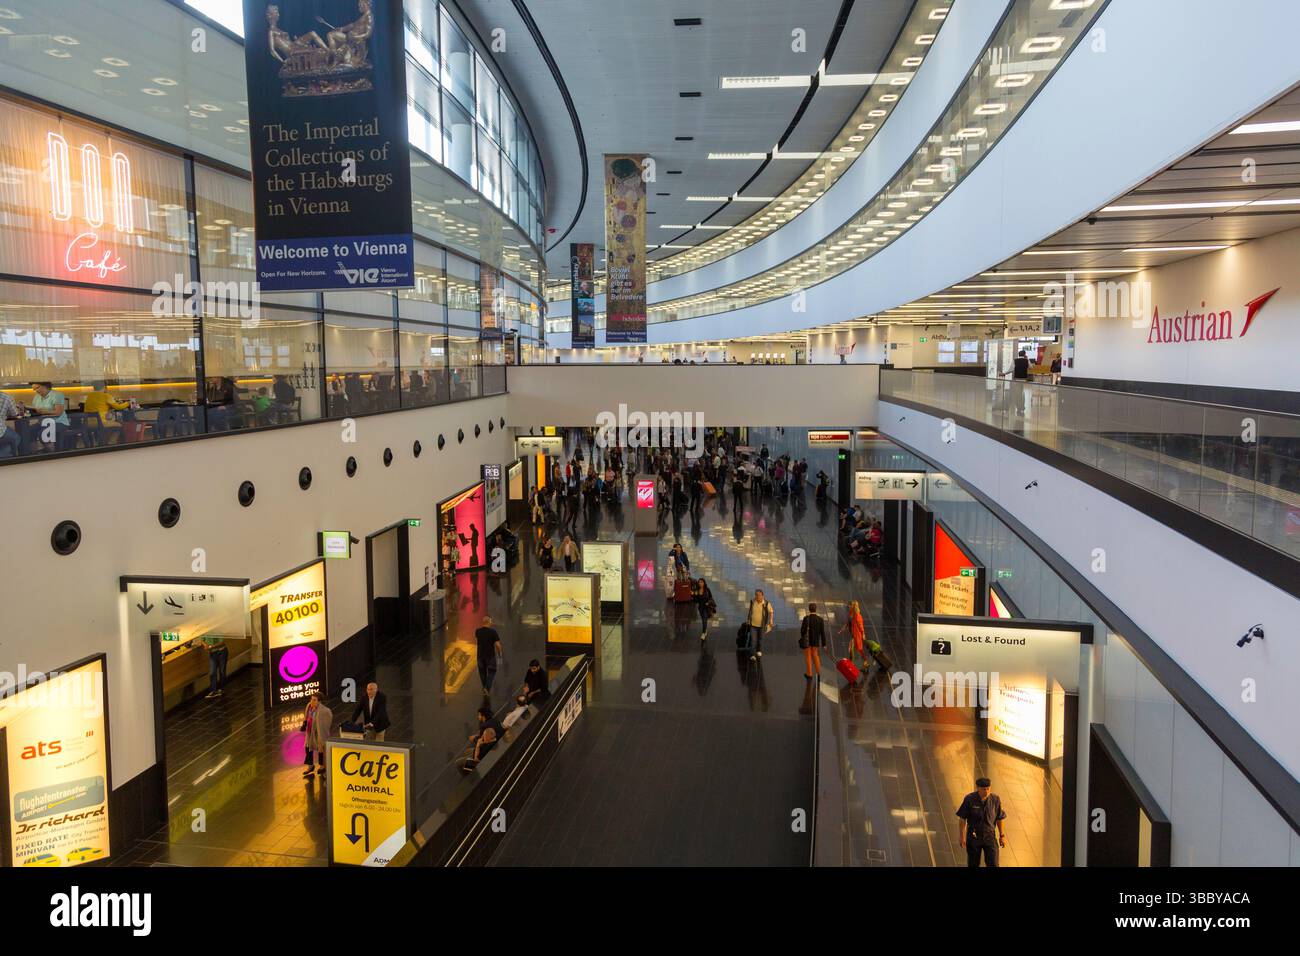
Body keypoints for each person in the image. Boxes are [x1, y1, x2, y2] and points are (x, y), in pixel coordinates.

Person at [956, 777, 1006, 867]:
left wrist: (1002, 835)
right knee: (973, 864)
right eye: (984, 789)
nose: (986, 791)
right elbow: (962, 819)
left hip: (990, 836)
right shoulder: (969, 799)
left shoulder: (995, 800)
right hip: (973, 836)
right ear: (977, 788)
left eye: (988, 789)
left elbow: (999, 818)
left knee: (993, 863)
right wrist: (962, 836)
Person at [28, 382, 70, 449]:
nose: (36, 391)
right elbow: (36, 410)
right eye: (34, 389)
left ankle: (51, 452)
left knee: (43, 433)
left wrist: (43, 411)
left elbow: (58, 413)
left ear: (45, 386)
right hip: (42, 423)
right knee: (28, 431)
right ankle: (33, 453)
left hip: (58, 422)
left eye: (37, 388)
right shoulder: (37, 397)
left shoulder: (57, 395)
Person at [301, 692, 333, 779]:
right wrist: (304, 724)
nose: (312, 701)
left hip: (318, 733)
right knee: (308, 748)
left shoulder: (324, 711)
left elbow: (327, 722)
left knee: (320, 749)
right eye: (311, 699)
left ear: (319, 701)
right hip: (310, 732)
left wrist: (321, 731)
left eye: (314, 700)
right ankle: (310, 766)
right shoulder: (309, 706)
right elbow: (306, 716)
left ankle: (322, 766)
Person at [744, 589, 773, 662]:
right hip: (753, 625)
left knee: (760, 639)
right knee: (753, 640)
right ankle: (752, 655)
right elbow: (750, 611)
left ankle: (758, 650)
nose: (757, 596)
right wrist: (748, 620)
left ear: (763, 596)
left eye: (759, 595)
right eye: (756, 595)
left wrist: (771, 620)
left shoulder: (766, 603)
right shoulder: (753, 602)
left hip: (762, 625)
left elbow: (771, 612)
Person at [475, 615, 502, 695]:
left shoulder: (478, 631)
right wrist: (500, 654)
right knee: (492, 671)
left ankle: (484, 688)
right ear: (490, 621)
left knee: (482, 672)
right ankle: (487, 688)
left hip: (480, 656)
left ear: (483, 622)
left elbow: (477, 640)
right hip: (490, 656)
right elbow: (498, 645)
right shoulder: (493, 632)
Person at [800, 603, 826, 678]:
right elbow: (822, 633)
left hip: (807, 641)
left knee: (808, 657)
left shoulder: (806, 618)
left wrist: (803, 636)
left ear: (809, 609)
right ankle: (819, 672)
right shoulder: (820, 619)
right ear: (816, 609)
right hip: (816, 642)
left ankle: (809, 674)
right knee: (815, 656)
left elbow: (802, 630)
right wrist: (824, 644)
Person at [840, 599, 866, 667]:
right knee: (852, 648)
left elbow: (861, 626)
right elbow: (848, 622)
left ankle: (865, 662)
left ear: (854, 606)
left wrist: (863, 634)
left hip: (857, 634)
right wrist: (843, 628)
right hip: (853, 633)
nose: (849, 606)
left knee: (859, 649)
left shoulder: (857, 615)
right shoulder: (851, 613)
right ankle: (853, 662)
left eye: (850, 605)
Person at [0, 390, 23, 458]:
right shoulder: (6, 397)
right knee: (16, 438)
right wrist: (20, 408)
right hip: (1, 430)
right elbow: (15, 414)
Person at [693, 576, 716, 640]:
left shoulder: (707, 590)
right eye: (699, 582)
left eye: (701, 582)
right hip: (700, 608)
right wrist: (694, 595)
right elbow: (696, 601)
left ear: (704, 583)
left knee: (704, 620)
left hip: (706, 607)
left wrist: (708, 602)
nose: (700, 583)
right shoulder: (697, 591)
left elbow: (711, 597)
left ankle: (703, 633)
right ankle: (705, 630)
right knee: (703, 619)